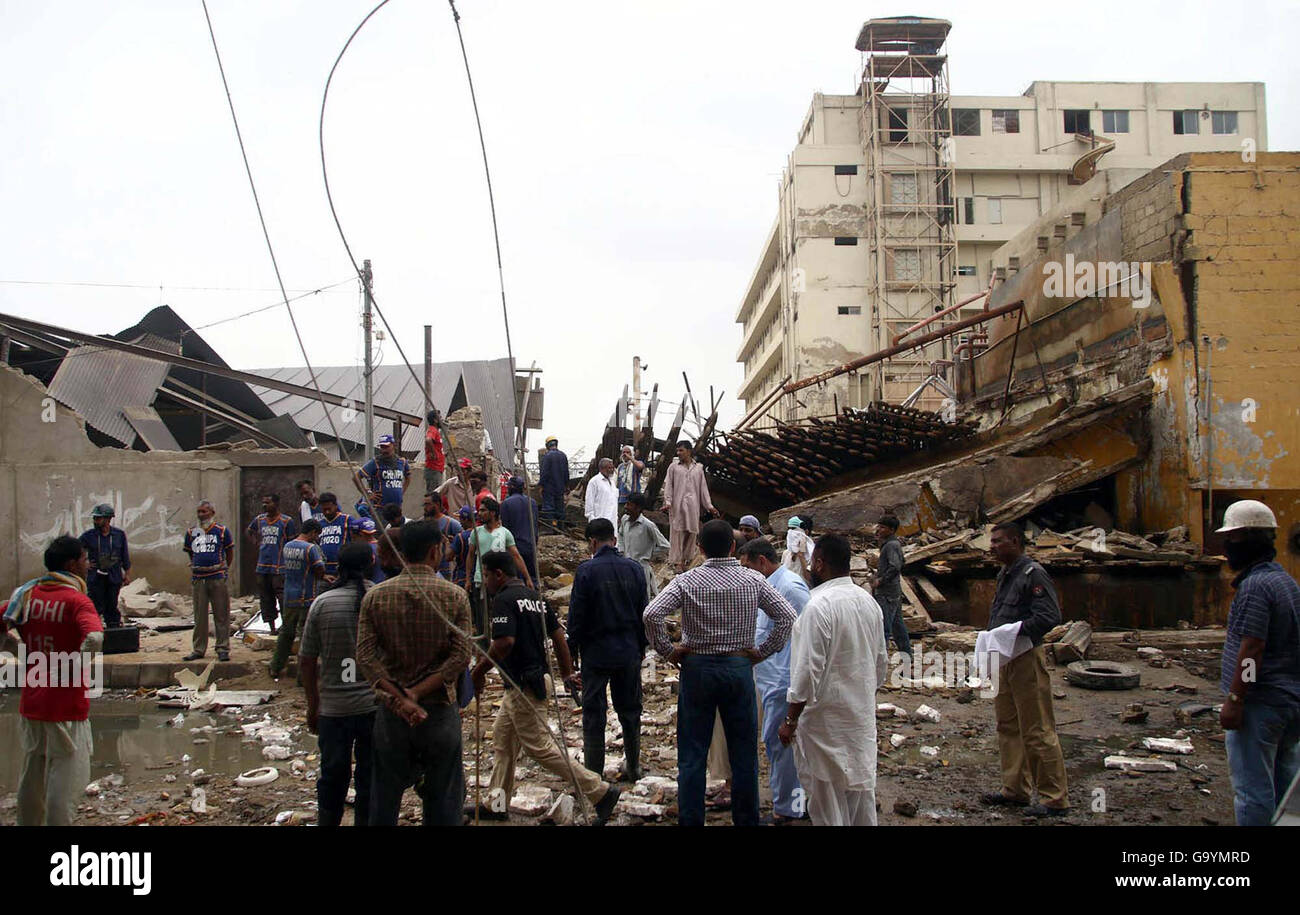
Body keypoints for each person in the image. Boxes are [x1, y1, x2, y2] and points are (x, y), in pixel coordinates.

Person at [644, 518, 796, 826]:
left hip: (697, 667)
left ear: (699, 548)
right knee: (743, 753)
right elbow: (787, 616)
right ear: (732, 546)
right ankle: (746, 819)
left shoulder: (687, 580)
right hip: (738, 667)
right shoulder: (752, 580)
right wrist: (762, 652)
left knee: (692, 753)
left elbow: (651, 613)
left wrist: (669, 651)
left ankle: (691, 820)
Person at [472, 550, 623, 825]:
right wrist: (566, 673)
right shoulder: (535, 598)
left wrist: (478, 671)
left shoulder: (504, 600)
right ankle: (496, 803)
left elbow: (504, 642)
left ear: (498, 574)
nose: (484, 582)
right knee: (503, 741)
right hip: (529, 681)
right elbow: (558, 637)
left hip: (523, 684)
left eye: (486, 575)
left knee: (539, 748)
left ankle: (600, 791)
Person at [357, 520, 472, 827]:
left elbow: (365, 657)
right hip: (438, 711)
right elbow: (461, 656)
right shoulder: (455, 595)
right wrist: (418, 694)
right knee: (444, 800)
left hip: (392, 714)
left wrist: (401, 698)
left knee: (384, 798)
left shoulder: (376, 596)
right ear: (435, 552)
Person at [777, 534, 887, 826]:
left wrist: (790, 721)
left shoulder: (817, 607)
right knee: (860, 797)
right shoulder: (868, 602)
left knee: (826, 803)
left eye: (813, 561)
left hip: (824, 723)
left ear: (820, 562)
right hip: (858, 719)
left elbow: (805, 674)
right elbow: (880, 666)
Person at [1, 535, 103, 826]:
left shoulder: (27, 595)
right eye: (84, 559)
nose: (88, 564)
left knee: (33, 772)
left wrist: (14, 648)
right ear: (72, 564)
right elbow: (95, 638)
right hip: (67, 705)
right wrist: (76, 665)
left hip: (32, 702)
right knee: (66, 778)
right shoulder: (77, 600)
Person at [1214, 499, 1300, 826]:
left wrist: (1236, 699)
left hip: (1261, 704)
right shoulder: (1285, 582)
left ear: (1251, 540)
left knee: (1252, 792)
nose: (1226, 547)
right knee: (1283, 783)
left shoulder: (1255, 587)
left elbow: (1252, 649)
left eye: (1232, 539)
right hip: (1288, 700)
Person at [979, 521, 1069, 818]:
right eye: (991, 541)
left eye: (998, 541)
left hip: (1025, 657)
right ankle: (1014, 789)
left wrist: (1013, 634)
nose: (992, 546)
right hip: (1004, 657)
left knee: (1037, 727)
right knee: (1008, 724)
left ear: (1016, 542)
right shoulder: (1005, 574)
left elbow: (1049, 616)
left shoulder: (1033, 574)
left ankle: (1054, 797)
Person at [301, 542, 378, 827]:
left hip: (334, 709)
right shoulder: (379, 599)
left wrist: (313, 705)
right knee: (369, 776)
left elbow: (307, 660)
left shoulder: (323, 604)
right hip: (374, 706)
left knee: (332, 775)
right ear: (371, 563)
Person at [569, 518, 649, 781]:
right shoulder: (635, 569)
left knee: (594, 713)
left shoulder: (586, 571)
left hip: (596, 653)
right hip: (627, 651)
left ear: (592, 543)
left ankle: (594, 774)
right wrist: (641, 648)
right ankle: (634, 766)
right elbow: (643, 614)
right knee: (630, 710)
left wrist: (573, 654)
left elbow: (576, 617)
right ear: (614, 540)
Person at [738, 537, 810, 824]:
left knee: (782, 744)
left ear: (763, 562)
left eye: (747, 566)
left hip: (784, 679)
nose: (744, 573)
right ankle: (793, 803)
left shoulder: (790, 588)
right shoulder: (767, 586)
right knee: (776, 743)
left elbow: (809, 634)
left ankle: (787, 809)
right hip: (768, 677)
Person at [466, 498, 534, 641]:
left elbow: (516, 556)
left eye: (483, 510)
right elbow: (470, 556)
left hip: (500, 584)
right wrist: (468, 579)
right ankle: (484, 653)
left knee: (501, 618)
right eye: (479, 510)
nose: (480, 513)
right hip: (480, 581)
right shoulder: (476, 532)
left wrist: (527, 577)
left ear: (493, 513)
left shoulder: (505, 533)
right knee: (481, 621)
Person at [272, 519, 329, 680]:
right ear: (312, 532)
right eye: (317, 535)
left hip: (289, 596)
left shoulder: (288, 546)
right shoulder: (310, 548)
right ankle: (302, 676)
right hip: (306, 597)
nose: (317, 538)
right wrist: (324, 576)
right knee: (306, 637)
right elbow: (319, 569)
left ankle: (275, 667)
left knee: (286, 633)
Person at [182, 500, 235, 662]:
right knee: (200, 616)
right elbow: (190, 552)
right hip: (199, 578)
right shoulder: (192, 532)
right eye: (199, 512)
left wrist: (224, 568)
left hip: (217, 576)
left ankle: (223, 648)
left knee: (221, 614)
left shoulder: (222, 531)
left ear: (212, 513)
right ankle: (198, 649)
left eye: (204, 512)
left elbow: (229, 551)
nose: (201, 515)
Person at [662, 440, 717, 573]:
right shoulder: (673, 467)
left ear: (689, 451)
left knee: (691, 532)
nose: (679, 453)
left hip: (693, 506)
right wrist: (668, 502)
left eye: (681, 450)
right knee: (677, 532)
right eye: (678, 451)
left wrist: (709, 506)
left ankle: (686, 560)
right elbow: (669, 486)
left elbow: (703, 488)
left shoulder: (698, 468)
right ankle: (677, 562)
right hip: (677, 505)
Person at [246, 493, 297, 635]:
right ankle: (272, 627)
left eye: (268, 502)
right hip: (263, 566)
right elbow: (250, 531)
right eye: (263, 502)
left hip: (280, 567)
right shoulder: (259, 520)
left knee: (282, 597)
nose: (264, 505)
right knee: (266, 598)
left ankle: (286, 627)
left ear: (276, 504)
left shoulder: (286, 521)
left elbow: (292, 541)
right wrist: (256, 542)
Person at [80, 503, 130, 627]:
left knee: (111, 605)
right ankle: (93, 629)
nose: (95, 521)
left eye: (98, 518)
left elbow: (125, 556)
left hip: (113, 576)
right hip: (95, 578)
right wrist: (85, 563)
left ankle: (113, 629)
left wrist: (127, 574)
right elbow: (75, 549)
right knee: (95, 605)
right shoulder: (89, 536)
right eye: (94, 518)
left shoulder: (119, 535)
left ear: (108, 519)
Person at [872, 515, 912, 659]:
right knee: (897, 625)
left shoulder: (891, 545)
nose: (879, 530)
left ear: (892, 530)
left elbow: (895, 566)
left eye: (882, 527)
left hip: (887, 592)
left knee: (885, 626)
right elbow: (902, 561)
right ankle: (907, 654)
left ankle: (880, 658)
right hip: (892, 590)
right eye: (879, 526)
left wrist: (881, 580)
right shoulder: (890, 544)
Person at [619, 492, 670, 600]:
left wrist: (649, 555)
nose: (626, 507)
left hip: (641, 569)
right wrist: (622, 550)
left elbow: (665, 545)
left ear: (638, 508)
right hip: (625, 567)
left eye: (629, 504)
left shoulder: (648, 525)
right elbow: (621, 535)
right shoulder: (624, 520)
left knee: (641, 599)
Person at [499, 476, 540, 585]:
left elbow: (505, 529)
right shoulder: (533, 503)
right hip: (531, 545)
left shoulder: (506, 504)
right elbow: (535, 525)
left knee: (517, 579)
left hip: (515, 546)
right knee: (532, 578)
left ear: (511, 488)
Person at [358, 434, 411, 509]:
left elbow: (408, 478)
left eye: (386, 447)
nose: (384, 450)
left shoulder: (402, 462)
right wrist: (368, 494)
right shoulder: (375, 462)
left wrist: (401, 492)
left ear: (393, 445)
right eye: (382, 447)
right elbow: (357, 477)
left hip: (396, 507)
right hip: (380, 507)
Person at [424, 492, 463, 579]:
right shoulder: (422, 523)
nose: (425, 508)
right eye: (424, 505)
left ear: (437, 504)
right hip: (427, 569)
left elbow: (462, 542)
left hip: (446, 570)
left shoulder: (451, 524)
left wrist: (452, 543)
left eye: (428, 504)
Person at [315, 492, 353, 578]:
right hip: (325, 570)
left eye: (329, 509)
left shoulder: (347, 519)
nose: (327, 512)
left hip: (342, 568)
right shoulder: (319, 524)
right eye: (324, 510)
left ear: (336, 506)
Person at [584, 458, 619, 539]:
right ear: (601, 468)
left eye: (612, 468)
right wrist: (592, 520)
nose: (612, 470)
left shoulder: (612, 482)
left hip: (612, 522)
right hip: (599, 523)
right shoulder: (594, 482)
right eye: (609, 468)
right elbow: (589, 503)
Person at [539, 436, 570, 524]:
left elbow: (544, 473)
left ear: (547, 445)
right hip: (560, 488)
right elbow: (566, 473)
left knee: (549, 508)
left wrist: (541, 486)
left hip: (549, 488)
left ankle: (552, 527)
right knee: (560, 508)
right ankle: (561, 526)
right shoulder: (563, 455)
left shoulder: (547, 457)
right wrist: (567, 486)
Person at [449, 506, 476, 589]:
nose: (460, 522)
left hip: (462, 579)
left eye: (461, 519)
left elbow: (448, 557)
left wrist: (448, 544)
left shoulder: (460, 537)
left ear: (466, 520)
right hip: (478, 578)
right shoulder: (481, 534)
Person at [353, 518, 386, 585]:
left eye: (353, 536)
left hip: (371, 587)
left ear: (360, 534)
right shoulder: (383, 545)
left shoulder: (364, 549)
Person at [782, 515, 814, 583]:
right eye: (789, 529)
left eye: (793, 529)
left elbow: (810, 578)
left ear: (806, 532)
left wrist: (801, 555)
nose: (790, 532)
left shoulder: (813, 554)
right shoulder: (786, 553)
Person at [616, 444, 645, 510]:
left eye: (627, 452)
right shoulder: (620, 466)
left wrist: (630, 458)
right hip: (621, 499)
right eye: (623, 452)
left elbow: (640, 466)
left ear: (631, 453)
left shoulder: (635, 464)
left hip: (634, 498)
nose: (625, 454)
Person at [423, 409, 446, 494]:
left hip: (437, 469)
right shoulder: (433, 430)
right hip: (433, 469)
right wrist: (434, 453)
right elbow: (428, 440)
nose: (442, 419)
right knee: (433, 495)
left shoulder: (436, 431)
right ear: (435, 420)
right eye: (440, 417)